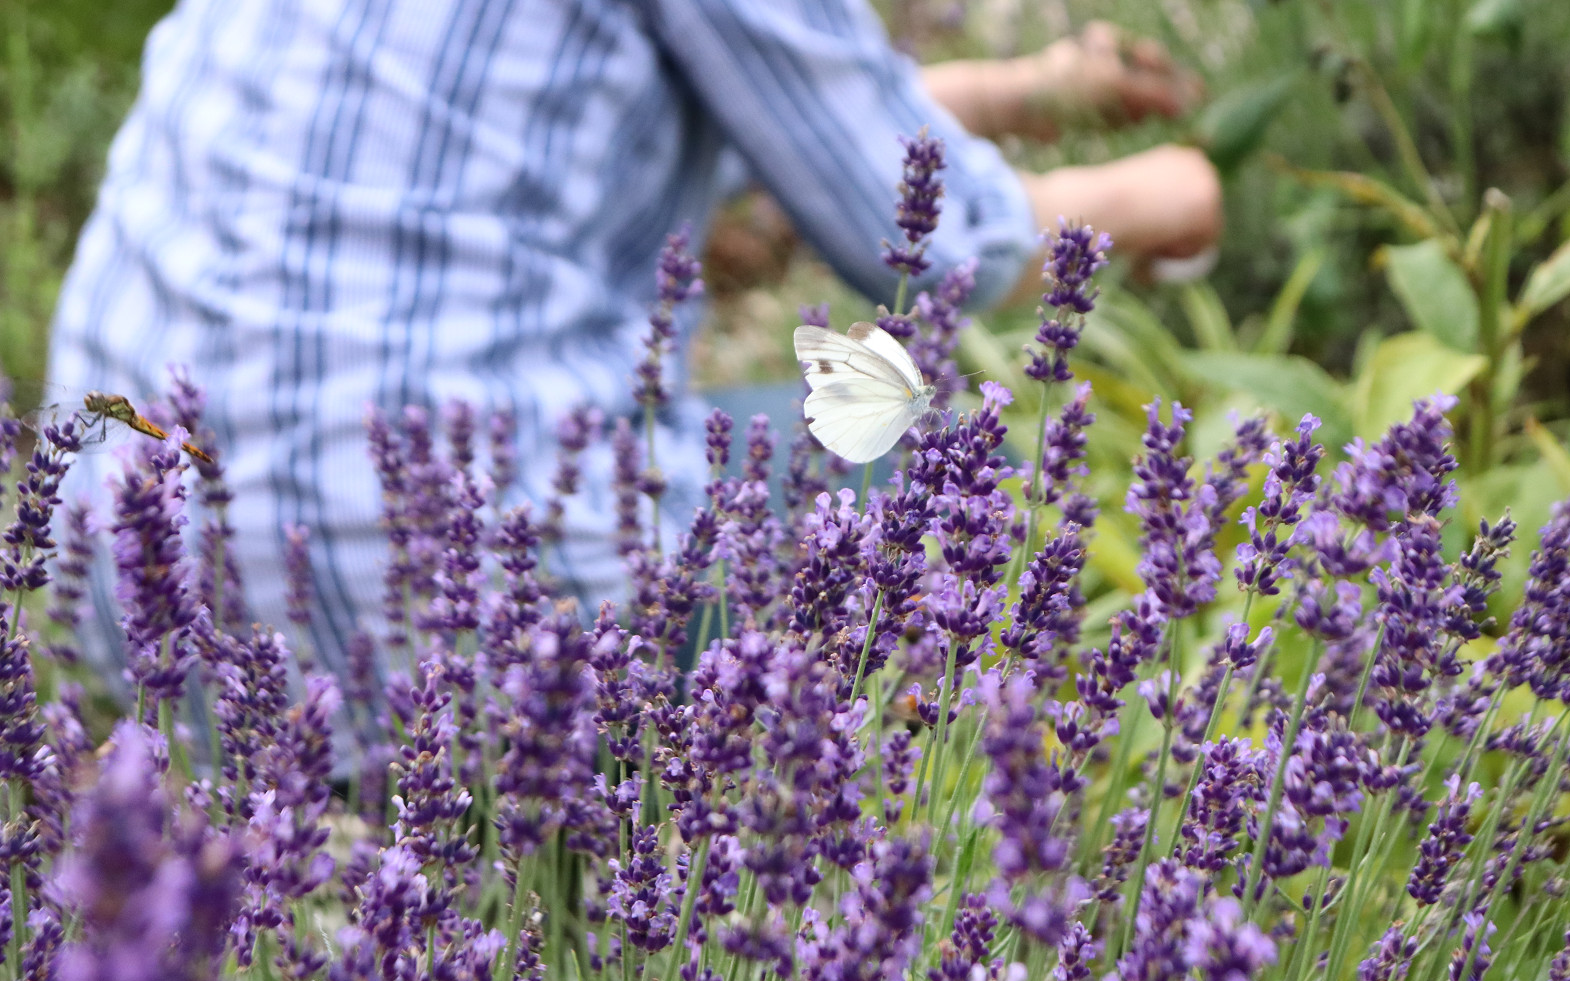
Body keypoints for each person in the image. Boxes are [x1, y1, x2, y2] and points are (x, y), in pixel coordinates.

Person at [49, 0, 1220, 681]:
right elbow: (928, 236)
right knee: (955, 479)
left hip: (121, 583)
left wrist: (1027, 91)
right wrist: (1174, 188)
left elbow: (754, 106)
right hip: (417, 603)